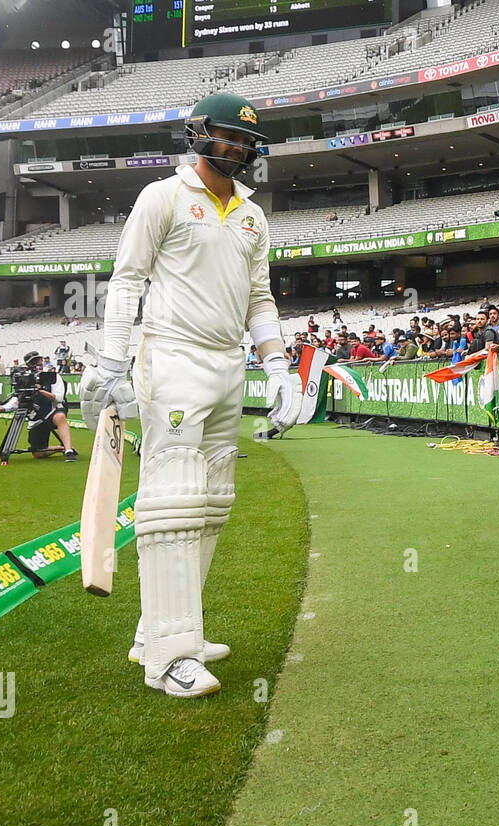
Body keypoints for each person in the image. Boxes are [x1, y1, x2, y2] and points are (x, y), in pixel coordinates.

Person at [81, 91, 300, 700]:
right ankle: (169, 658)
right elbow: (127, 280)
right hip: (172, 356)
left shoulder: (253, 216)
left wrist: (278, 367)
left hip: (229, 365)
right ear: (198, 133)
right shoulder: (164, 197)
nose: (240, 148)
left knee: (210, 501)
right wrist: (111, 362)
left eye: (249, 141)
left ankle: (162, 629)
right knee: (173, 499)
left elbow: (259, 298)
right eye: (230, 136)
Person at [0, 350, 78, 461]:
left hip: (52, 411)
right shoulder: (25, 378)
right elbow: (17, 399)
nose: (37, 364)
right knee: (38, 453)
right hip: (36, 418)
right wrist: (2, 408)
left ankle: (69, 451)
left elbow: (59, 398)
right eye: (33, 362)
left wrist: (40, 390)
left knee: (60, 416)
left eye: (38, 360)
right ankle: (61, 448)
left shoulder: (52, 376)